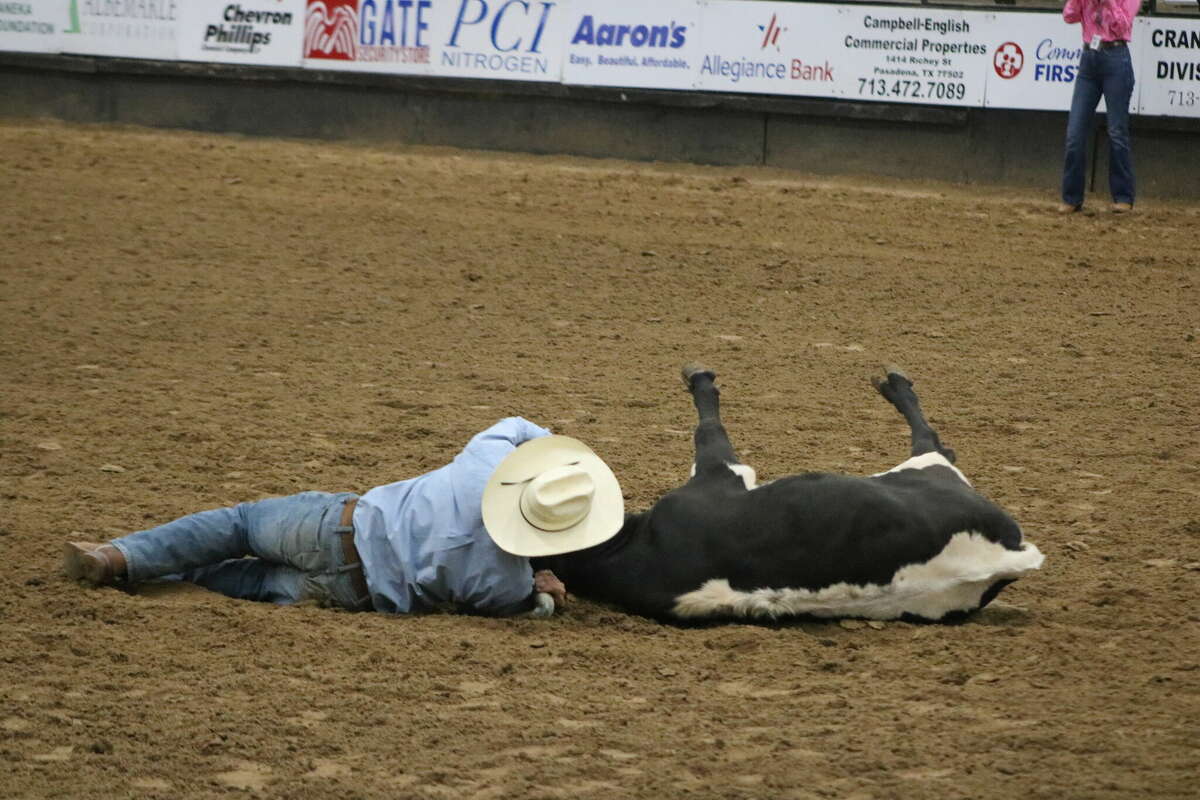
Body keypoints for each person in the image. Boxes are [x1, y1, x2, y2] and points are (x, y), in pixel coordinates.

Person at [63, 418, 624, 617]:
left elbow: (516, 424)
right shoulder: (503, 580)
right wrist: (545, 592)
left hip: (342, 525)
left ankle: (120, 557)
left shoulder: (480, 469)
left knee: (237, 525)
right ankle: (155, 580)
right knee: (255, 583)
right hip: (355, 595)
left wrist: (556, 449)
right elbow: (526, 611)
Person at [1057, 0, 1142, 214]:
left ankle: (1123, 196)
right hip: (1089, 59)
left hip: (1116, 57)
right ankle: (1072, 196)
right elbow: (1068, 15)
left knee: (1116, 131)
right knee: (1075, 133)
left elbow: (1122, 27)